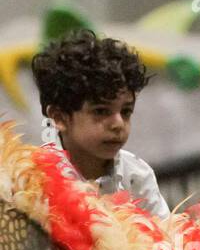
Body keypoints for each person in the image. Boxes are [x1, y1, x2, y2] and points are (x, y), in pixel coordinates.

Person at [30, 28, 169, 220]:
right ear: (60, 118)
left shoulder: (137, 176)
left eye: (126, 112)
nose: (118, 124)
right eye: (101, 111)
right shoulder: (32, 179)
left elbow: (166, 242)